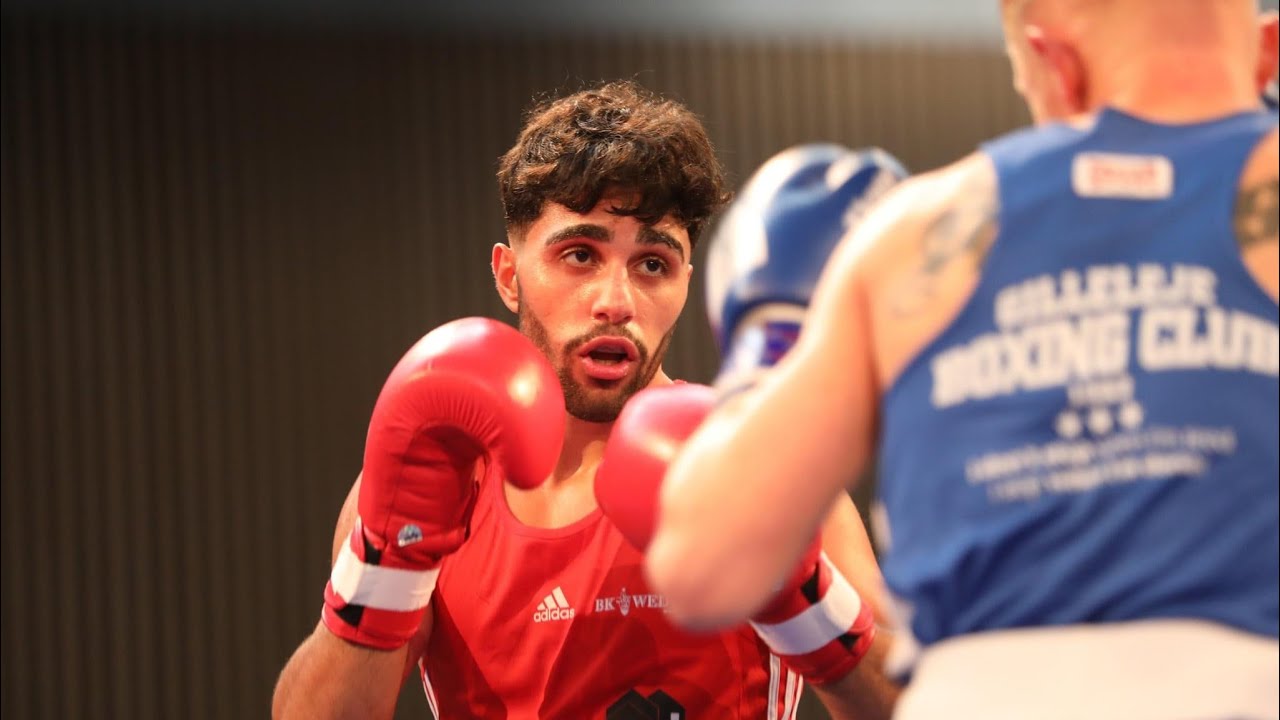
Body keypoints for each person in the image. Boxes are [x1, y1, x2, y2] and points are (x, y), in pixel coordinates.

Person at [646, 1, 1280, 718]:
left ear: (1053, 64)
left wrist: (773, 340)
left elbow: (701, 570)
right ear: (1269, 50)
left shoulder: (913, 239)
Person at [271, 80, 895, 719]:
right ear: (509, 276)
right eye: (580, 254)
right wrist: (384, 573)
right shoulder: (435, 469)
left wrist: (801, 598)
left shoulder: (751, 462)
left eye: (653, 263)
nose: (616, 301)